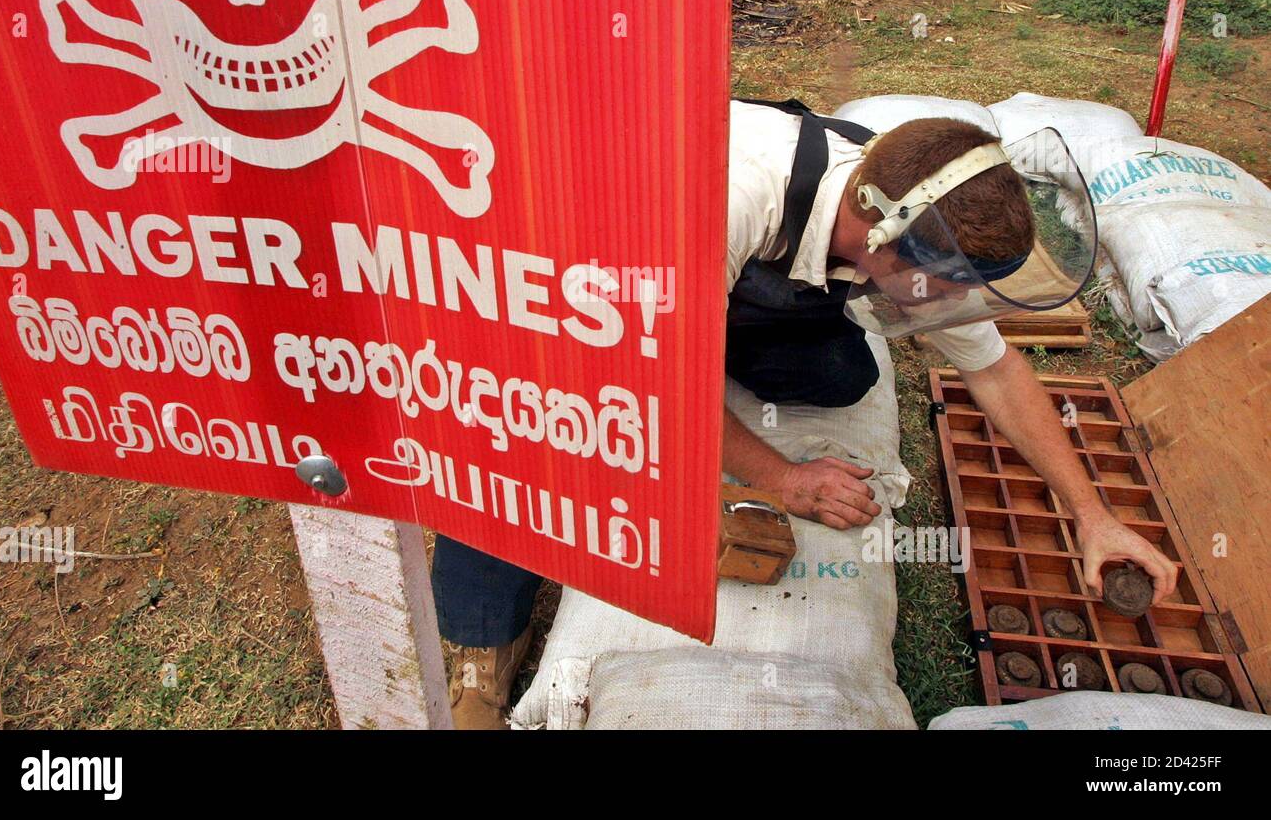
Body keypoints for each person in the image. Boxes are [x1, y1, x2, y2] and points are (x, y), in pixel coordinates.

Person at [437, 97, 1179, 729]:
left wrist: (1092, 513)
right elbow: (656, 381)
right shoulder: (723, 195)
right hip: (576, 262)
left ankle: (711, 328)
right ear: (877, 231)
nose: (946, 306)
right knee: (523, 411)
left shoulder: (910, 214)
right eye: (939, 286)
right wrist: (781, 478)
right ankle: (482, 640)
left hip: (722, 274)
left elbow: (996, 370)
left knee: (834, 372)